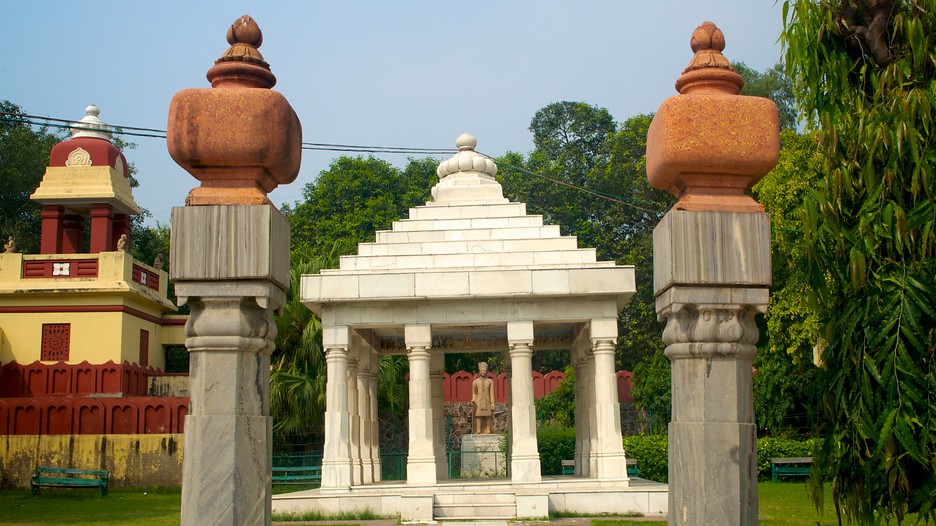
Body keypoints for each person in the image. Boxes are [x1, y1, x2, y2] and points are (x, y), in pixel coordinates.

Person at [471, 362, 495, 434]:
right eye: (482, 370)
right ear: (479, 371)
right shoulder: (475, 382)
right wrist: (473, 400)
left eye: (484, 370)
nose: (483, 372)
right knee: (478, 415)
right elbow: (474, 392)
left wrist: (492, 402)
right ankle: (478, 429)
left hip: (487, 400)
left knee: (488, 415)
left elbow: (491, 392)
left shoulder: (490, 381)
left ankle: (488, 429)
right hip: (479, 401)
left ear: (487, 371)